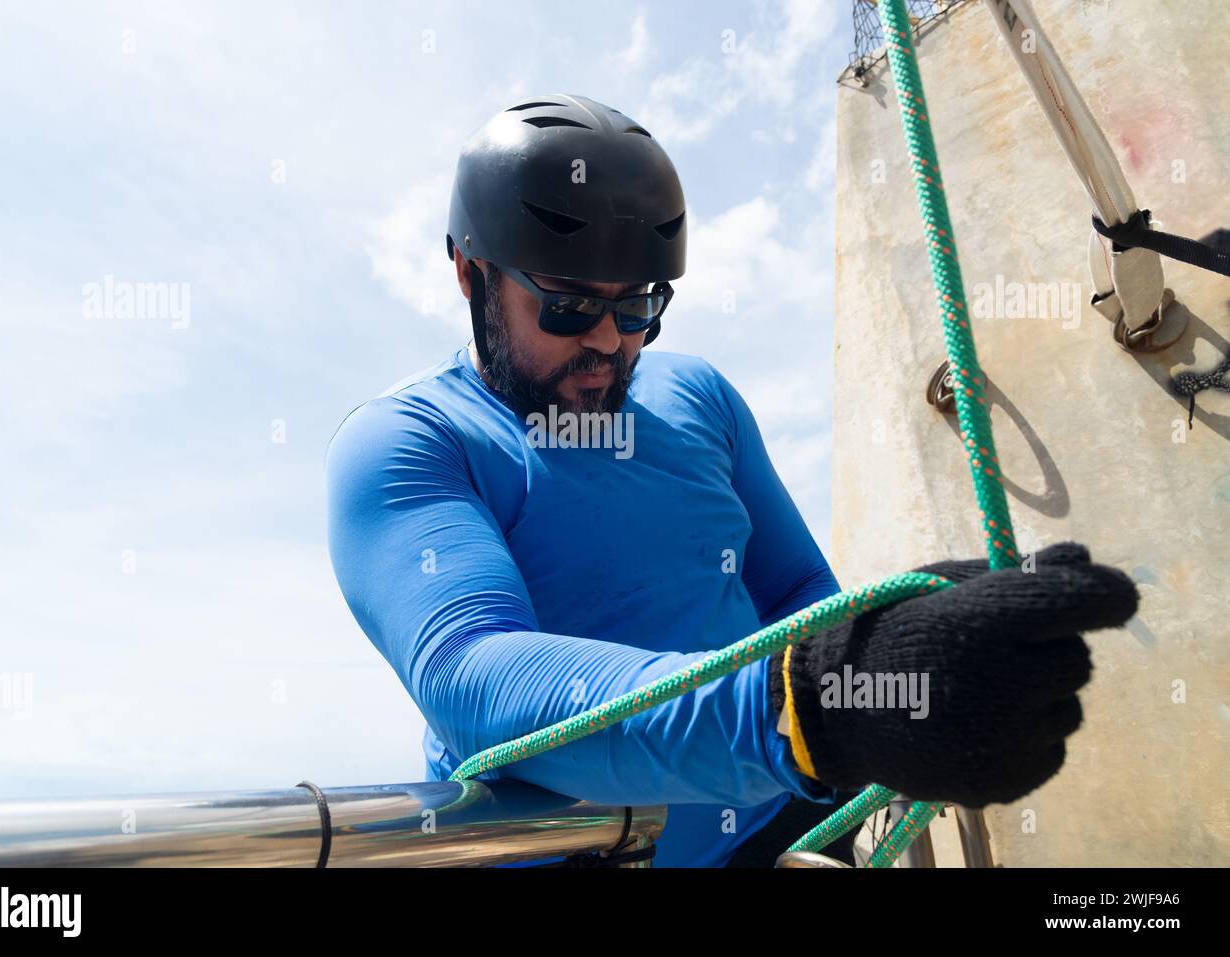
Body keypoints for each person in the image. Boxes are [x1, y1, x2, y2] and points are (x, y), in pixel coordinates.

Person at [326, 93, 1139, 867]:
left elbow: (795, 593)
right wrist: (801, 712)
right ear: (471, 275)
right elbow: (472, 673)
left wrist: (895, 641)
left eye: (640, 304)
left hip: (781, 830)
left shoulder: (696, 396)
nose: (611, 340)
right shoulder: (407, 443)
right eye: (570, 305)